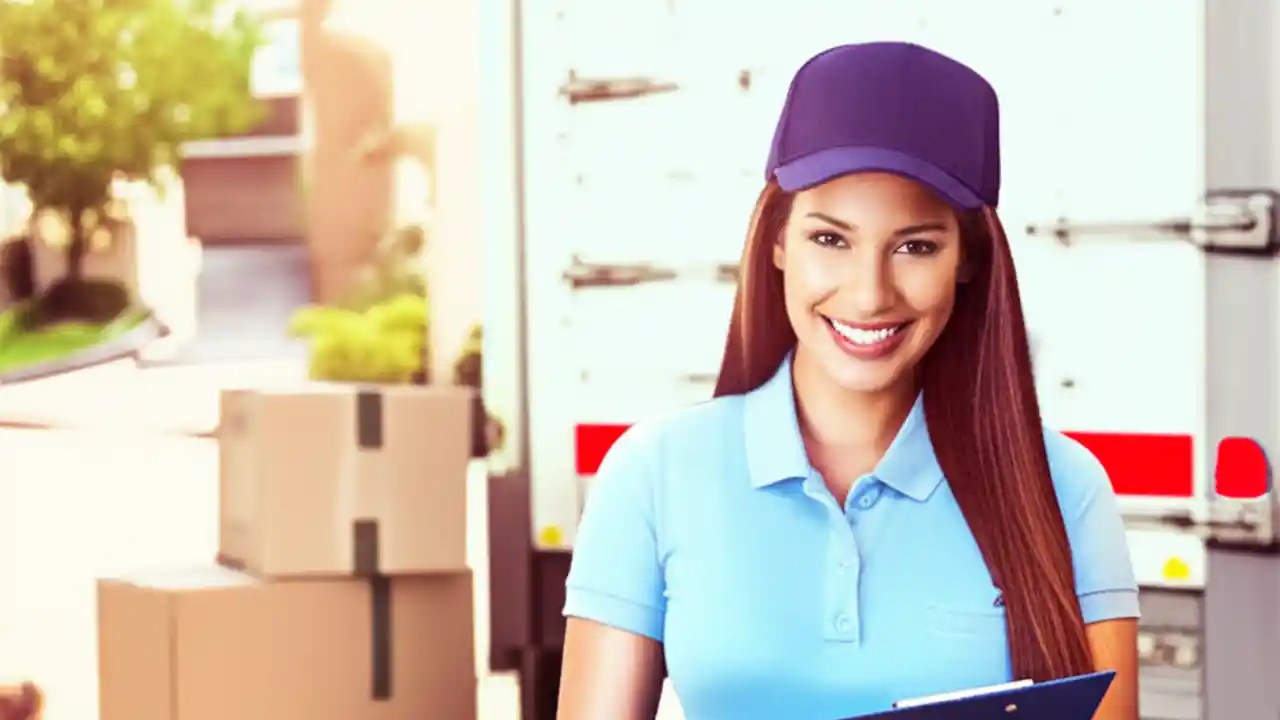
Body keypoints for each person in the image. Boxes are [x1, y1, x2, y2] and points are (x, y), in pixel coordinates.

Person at [556, 41, 1140, 720]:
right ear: (777, 242)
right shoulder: (653, 472)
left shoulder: (1064, 487)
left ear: (968, 261)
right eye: (830, 239)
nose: (868, 296)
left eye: (915, 246)